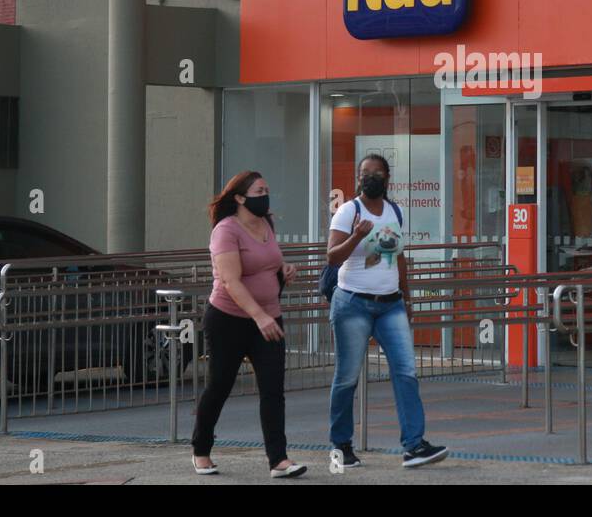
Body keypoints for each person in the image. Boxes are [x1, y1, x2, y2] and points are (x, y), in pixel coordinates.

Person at [326, 154, 448, 468]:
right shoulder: (347, 211)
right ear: (357, 178)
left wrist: (407, 300)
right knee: (347, 377)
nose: (371, 177)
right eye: (365, 172)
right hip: (353, 302)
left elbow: (397, 257)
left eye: (377, 172)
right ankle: (341, 445)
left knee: (406, 372)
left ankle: (414, 445)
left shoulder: (395, 211)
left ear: (387, 178)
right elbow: (332, 257)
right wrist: (356, 235)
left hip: (390, 303)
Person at [191, 170, 306, 479]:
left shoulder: (267, 222)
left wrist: (284, 270)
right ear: (240, 198)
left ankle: (279, 460)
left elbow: (267, 261)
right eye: (259, 191)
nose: (265, 195)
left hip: (269, 316)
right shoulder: (226, 230)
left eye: (267, 189)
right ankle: (201, 449)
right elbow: (230, 280)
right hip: (229, 320)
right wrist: (259, 316)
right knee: (220, 385)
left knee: (273, 389)